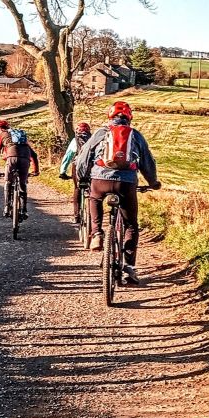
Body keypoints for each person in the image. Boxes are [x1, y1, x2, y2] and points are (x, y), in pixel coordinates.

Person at [74, 101, 160, 285]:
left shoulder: (100, 133)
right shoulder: (135, 135)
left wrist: (83, 178)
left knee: (94, 198)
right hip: (126, 183)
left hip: (100, 180)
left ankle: (96, 233)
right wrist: (153, 182)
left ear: (110, 117)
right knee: (131, 225)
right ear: (129, 118)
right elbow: (147, 162)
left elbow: (84, 157)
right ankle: (129, 268)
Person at [0, 119, 39, 219]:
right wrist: (36, 171)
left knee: (8, 182)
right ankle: (24, 210)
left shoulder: (2, 135)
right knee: (23, 184)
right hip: (25, 159)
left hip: (12, 158)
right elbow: (34, 155)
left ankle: (6, 207)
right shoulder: (20, 137)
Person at [58, 121, 93, 224]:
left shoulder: (75, 140)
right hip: (92, 167)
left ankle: (76, 216)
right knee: (93, 190)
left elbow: (68, 156)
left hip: (77, 166)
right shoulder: (93, 139)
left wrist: (62, 172)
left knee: (77, 188)